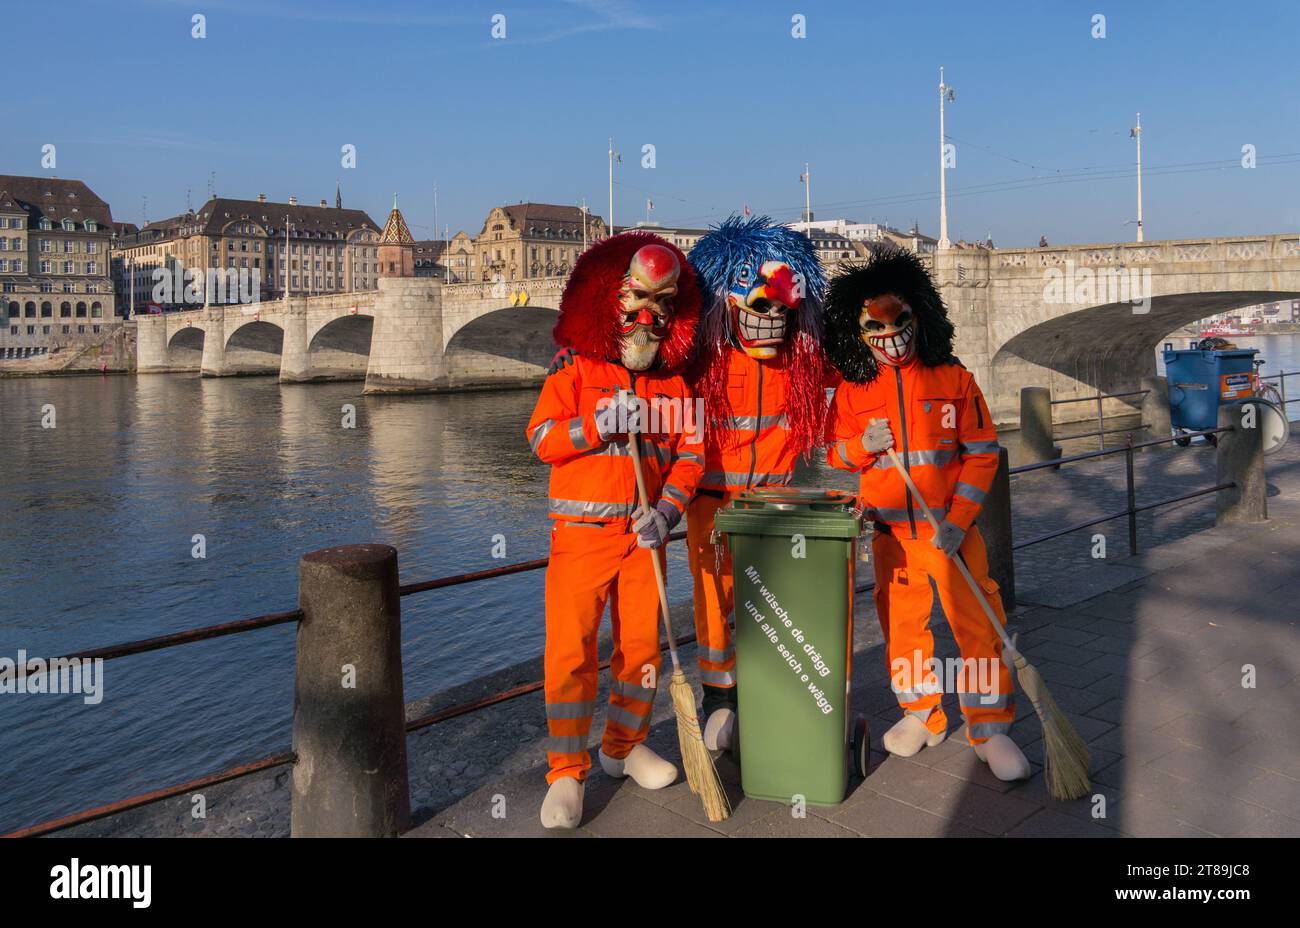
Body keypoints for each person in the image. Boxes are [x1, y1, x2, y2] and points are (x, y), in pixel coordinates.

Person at [822, 243, 1030, 782]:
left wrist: (960, 521)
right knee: (904, 628)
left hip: (953, 533)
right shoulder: (851, 389)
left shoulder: (953, 378)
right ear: (859, 331)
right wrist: (863, 445)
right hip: (892, 535)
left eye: (900, 323)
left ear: (920, 315)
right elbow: (834, 454)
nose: (890, 338)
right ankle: (922, 713)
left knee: (977, 628)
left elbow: (982, 453)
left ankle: (989, 727)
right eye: (876, 329)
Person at [525, 231, 705, 828]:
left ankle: (621, 749)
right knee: (571, 654)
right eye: (638, 309)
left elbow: (692, 456)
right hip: (580, 537)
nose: (648, 322)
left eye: (661, 312)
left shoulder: (674, 384)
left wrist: (669, 512)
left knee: (641, 652)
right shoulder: (575, 367)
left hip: (643, 537)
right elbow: (541, 440)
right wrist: (593, 425)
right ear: (612, 302)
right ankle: (566, 770)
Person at [684, 216, 832, 751]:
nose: (772, 320)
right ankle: (720, 699)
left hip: (774, 505)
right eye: (759, 306)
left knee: (772, 602)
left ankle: (769, 693)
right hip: (712, 506)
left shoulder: (804, 360)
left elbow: (870, 366)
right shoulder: (703, 363)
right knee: (713, 605)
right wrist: (578, 352)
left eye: (782, 309)